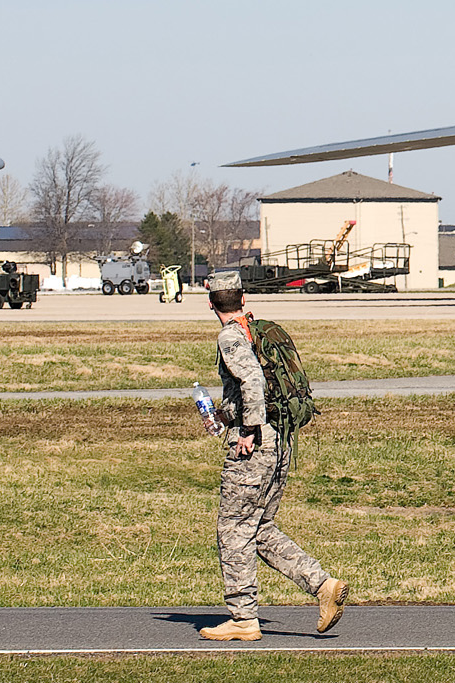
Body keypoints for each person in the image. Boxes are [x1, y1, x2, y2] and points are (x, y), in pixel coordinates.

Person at [198, 275, 347, 642]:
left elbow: (252, 382)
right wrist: (226, 416)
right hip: (279, 441)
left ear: (211, 303)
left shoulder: (231, 336)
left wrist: (248, 430)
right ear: (243, 298)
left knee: (233, 529)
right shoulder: (258, 331)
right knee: (258, 528)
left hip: (255, 446)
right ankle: (322, 585)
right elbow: (253, 389)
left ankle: (243, 618)